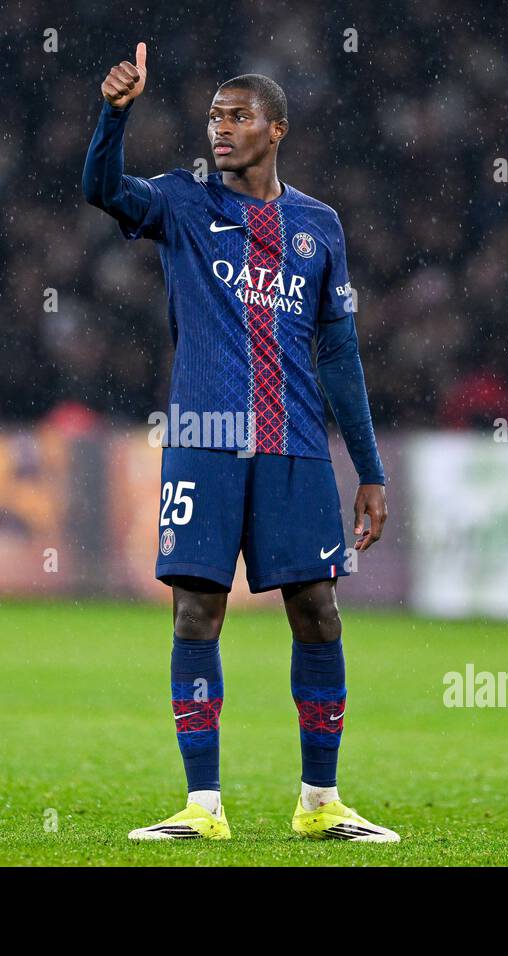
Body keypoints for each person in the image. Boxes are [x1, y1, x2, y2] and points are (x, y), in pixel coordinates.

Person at [83, 43, 398, 842]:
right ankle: (203, 807)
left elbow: (339, 353)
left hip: (293, 444)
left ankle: (320, 803)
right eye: (214, 117)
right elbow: (101, 189)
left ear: (276, 130)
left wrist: (368, 467)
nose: (220, 129)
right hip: (205, 438)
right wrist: (113, 114)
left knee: (317, 611)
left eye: (237, 116)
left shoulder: (319, 227)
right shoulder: (183, 203)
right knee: (197, 610)